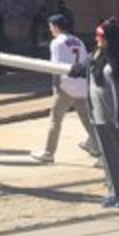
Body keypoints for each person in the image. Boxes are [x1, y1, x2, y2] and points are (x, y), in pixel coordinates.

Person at [70, 19, 119, 208]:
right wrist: (75, 70)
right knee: (108, 156)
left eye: (101, 36)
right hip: (98, 113)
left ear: (111, 37)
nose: (97, 39)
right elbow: (85, 67)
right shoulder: (97, 54)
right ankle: (115, 191)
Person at [30, 14, 98, 163]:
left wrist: (55, 87)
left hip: (66, 85)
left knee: (55, 119)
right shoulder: (78, 41)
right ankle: (100, 148)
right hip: (81, 85)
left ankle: (48, 153)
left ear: (55, 26)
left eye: (50, 27)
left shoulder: (57, 43)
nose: (50, 30)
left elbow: (57, 67)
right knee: (87, 119)